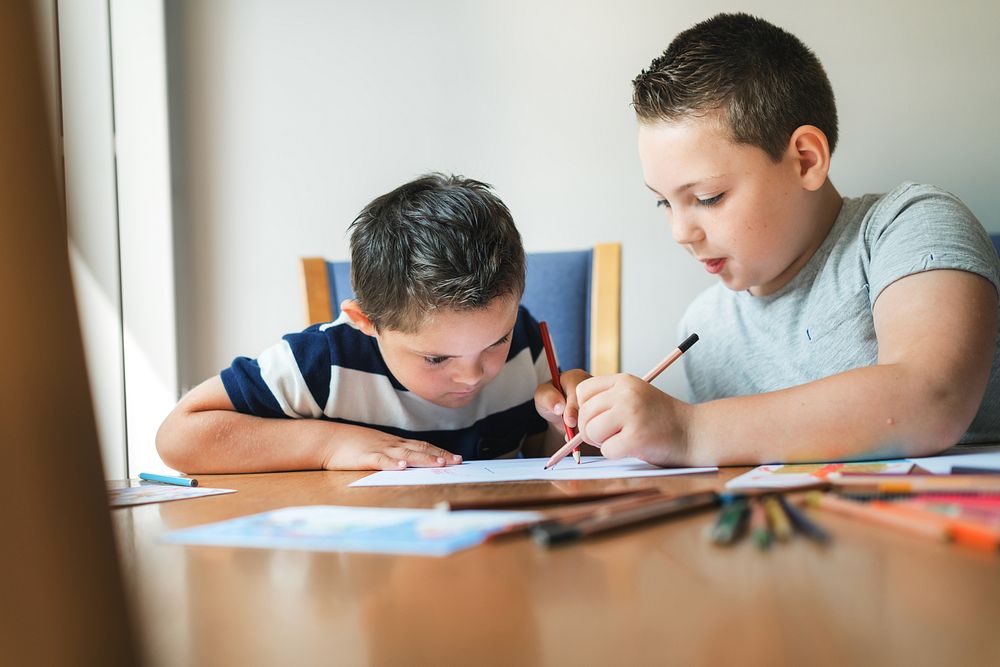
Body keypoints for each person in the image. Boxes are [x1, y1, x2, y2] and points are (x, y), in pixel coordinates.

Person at [536, 12, 1000, 466]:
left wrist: (689, 429)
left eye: (709, 197)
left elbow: (932, 399)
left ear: (804, 160)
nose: (680, 232)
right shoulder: (706, 328)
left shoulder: (907, 225)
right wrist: (609, 430)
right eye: (664, 202)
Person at [158, 173, 562, 472]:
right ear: (366, 321)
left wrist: (570, 424)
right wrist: (328, 445)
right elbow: (179, 436)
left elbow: (549, 454)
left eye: (496, 341)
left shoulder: (525, 341)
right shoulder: (323, 362)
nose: (473, 375)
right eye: (437, 359)